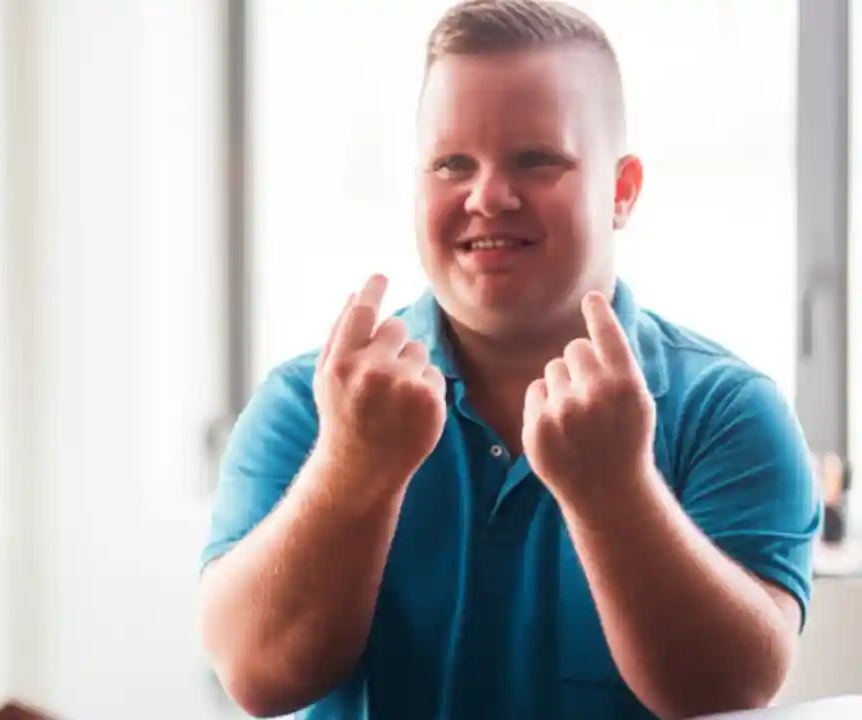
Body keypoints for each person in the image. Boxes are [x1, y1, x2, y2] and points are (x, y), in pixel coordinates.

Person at [197, 1, 821, 718]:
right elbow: (254, 678)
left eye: (536, 160)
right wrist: (352, 467)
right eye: (451, 164)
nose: (487, 196)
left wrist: (616, 492)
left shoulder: (728, 412)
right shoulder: (309, 401)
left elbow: (728, 689)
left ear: (621, 191)